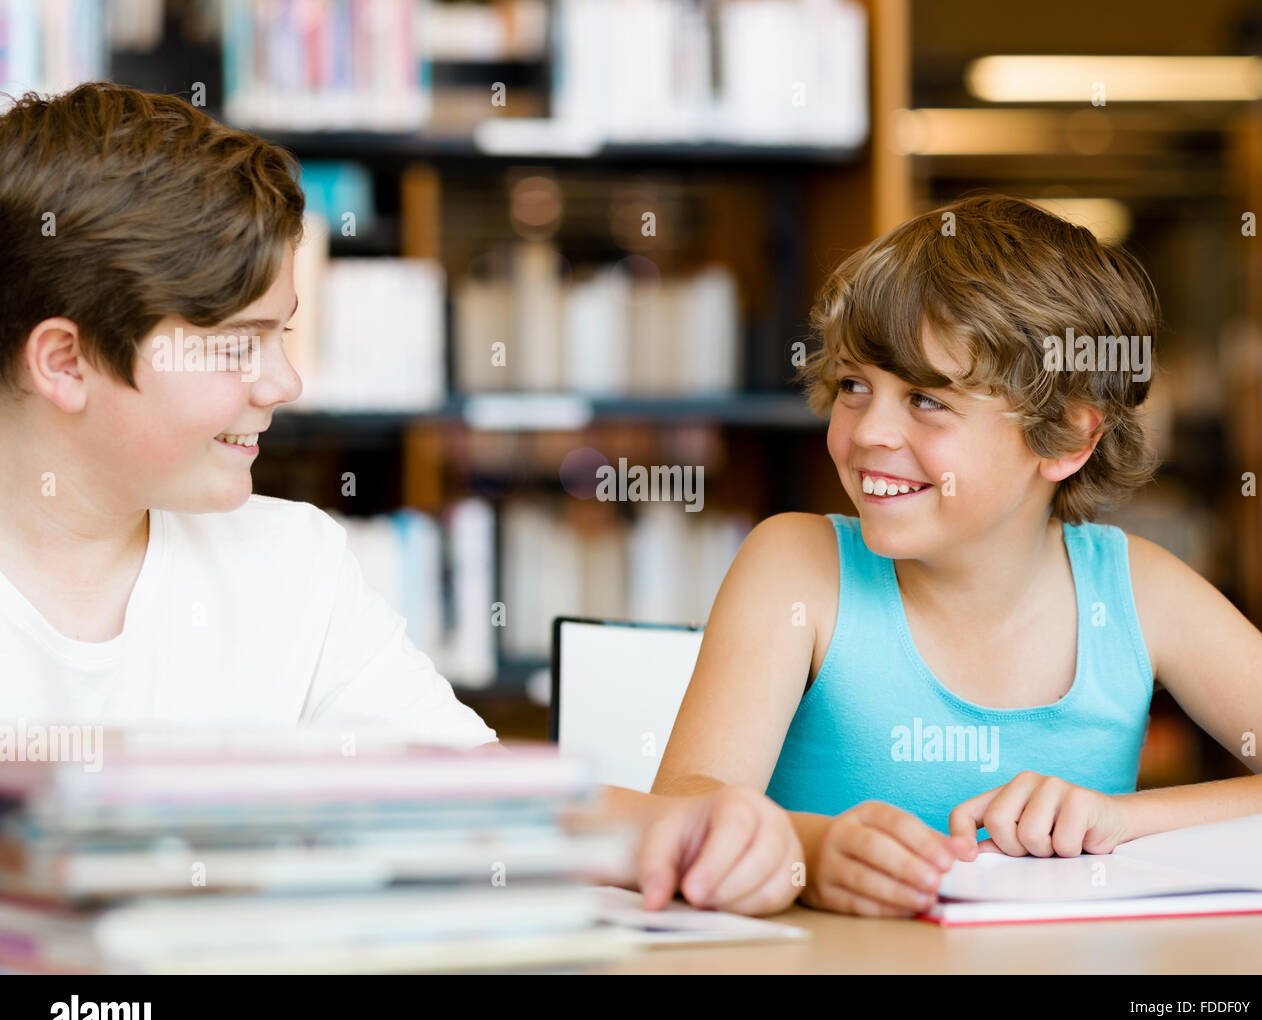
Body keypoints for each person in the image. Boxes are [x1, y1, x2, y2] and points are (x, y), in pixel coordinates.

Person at [0, 82, 802, 917]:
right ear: (66, 362)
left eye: (284, 335)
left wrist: (679, 830)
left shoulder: (289, 564)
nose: (284, 382)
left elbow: (464, 790)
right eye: (240, 344)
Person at [651, 193, 1262, 917]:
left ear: (1065, 437)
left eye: (927, 400)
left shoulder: (1140, 592)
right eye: (854, 386)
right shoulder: (796, 567)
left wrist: (1125, 820)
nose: (869, 434)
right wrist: (812, 849)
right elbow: (685, 804)